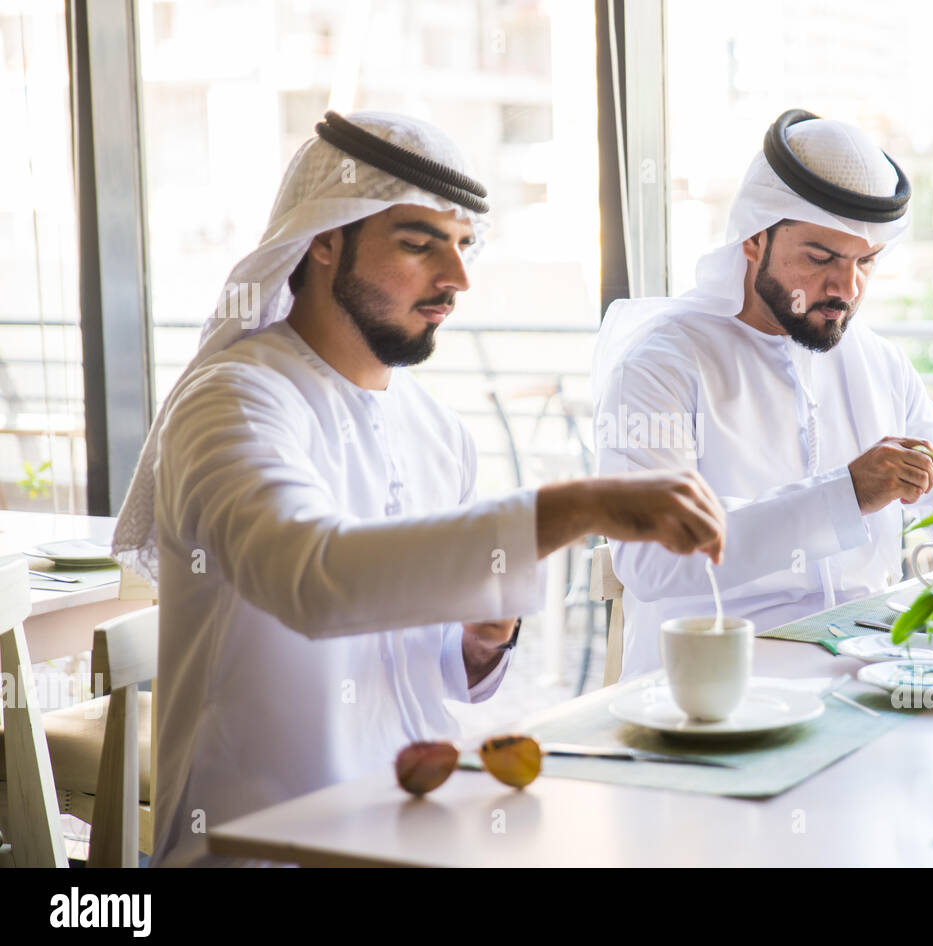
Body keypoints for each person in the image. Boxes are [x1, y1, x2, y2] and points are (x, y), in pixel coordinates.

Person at [111, 110, 725, 866]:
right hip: (260, 846)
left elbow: (433, 668)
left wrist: (481, 638)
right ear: (325, 239)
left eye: (464, 246)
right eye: (418, 243)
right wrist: (577, 505)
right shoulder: (233, 400)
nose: (457, 280)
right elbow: (314, 579)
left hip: (416, 831)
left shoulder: (438, 429)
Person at [591, 109, 933, 678]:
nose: (847, 287)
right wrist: (844, 495)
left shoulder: (879, 361)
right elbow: (651, 559)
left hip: (866, 680)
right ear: (753, 240)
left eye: (865, 261)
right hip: (713, 695)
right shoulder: (661, 365)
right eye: (820, 259)